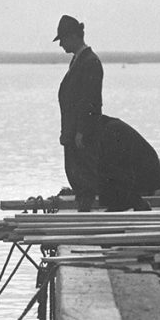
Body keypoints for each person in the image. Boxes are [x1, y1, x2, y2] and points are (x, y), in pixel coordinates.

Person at [54, 14, 103, 206]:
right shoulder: (78, 60)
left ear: (74, 36)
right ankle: (85, 209)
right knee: (76, 176)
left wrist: (82, 131)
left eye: (62, 39)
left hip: (82, 133)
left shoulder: (90, 61)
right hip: (73, 131)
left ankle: (87, 213)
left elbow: (90, 101)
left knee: (84, 178)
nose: (61, 45)